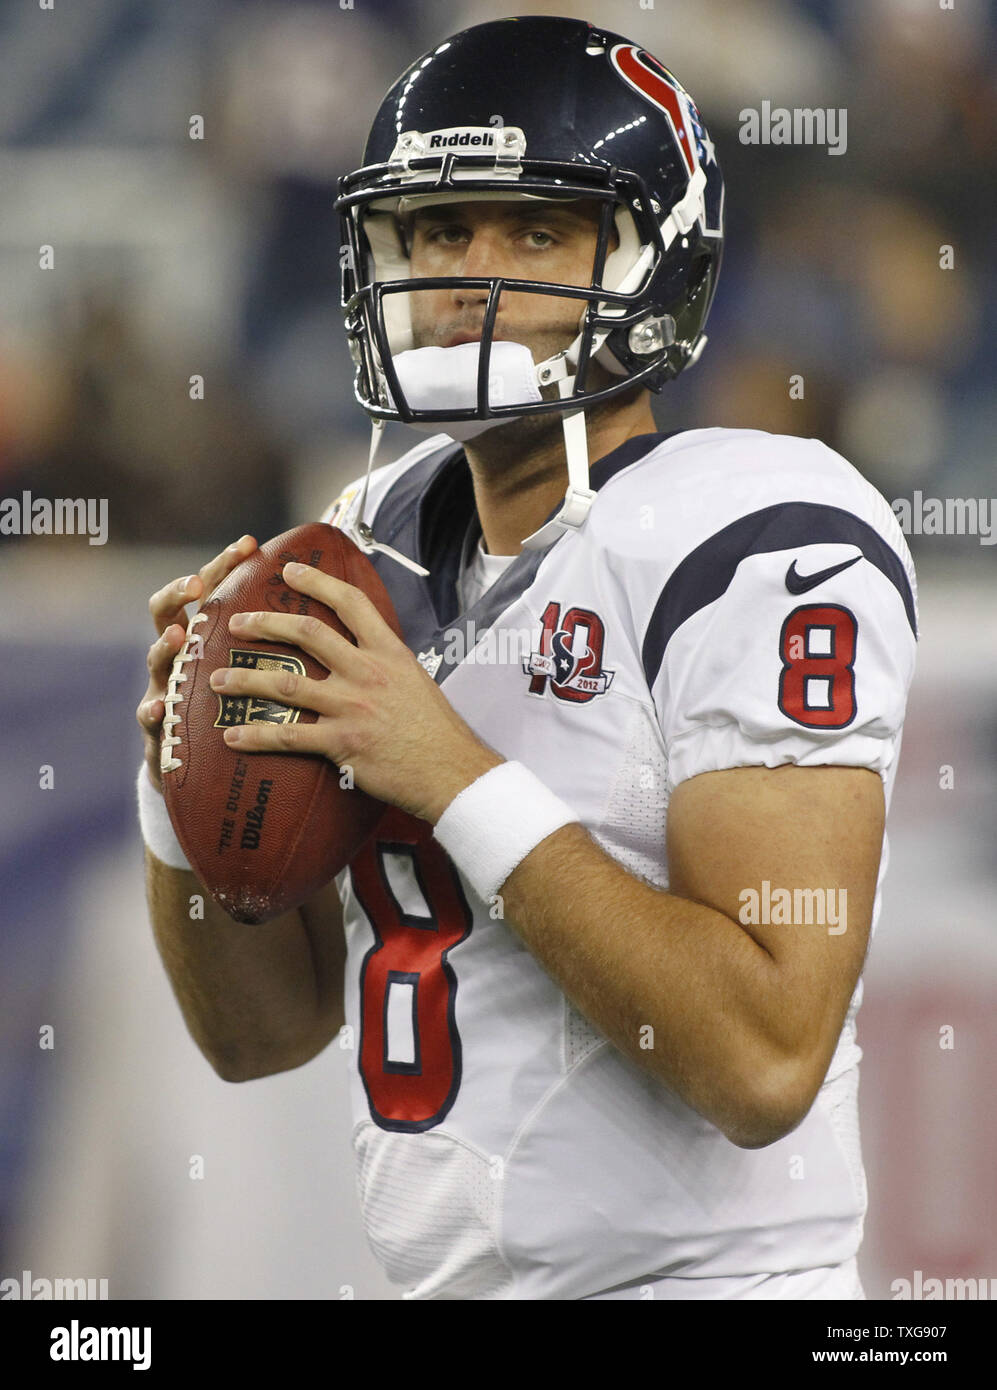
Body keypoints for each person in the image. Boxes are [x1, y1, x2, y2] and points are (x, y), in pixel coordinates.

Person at [136, 16, 917, 1300]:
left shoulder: (756, 535)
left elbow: (763, 1060)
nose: (472, 277)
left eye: (537, 231)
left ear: (656, 257)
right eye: (441, 231)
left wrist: (448, 770)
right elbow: (258, 1035)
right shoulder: (358, 542)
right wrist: (183, 787)